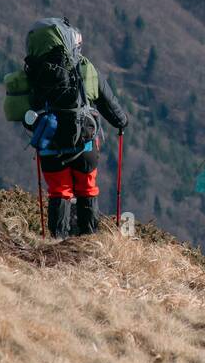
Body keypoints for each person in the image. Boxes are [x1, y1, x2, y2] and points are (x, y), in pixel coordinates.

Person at [25, 20, 128, 237]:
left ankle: (58, 243)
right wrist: (122, 123)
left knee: (59, 192)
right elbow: (109, 103)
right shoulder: (86, 67)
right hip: (85, 144)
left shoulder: (33, 71)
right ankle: (89, 240)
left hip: (50, 145)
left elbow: (23, 112)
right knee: (87, 189)